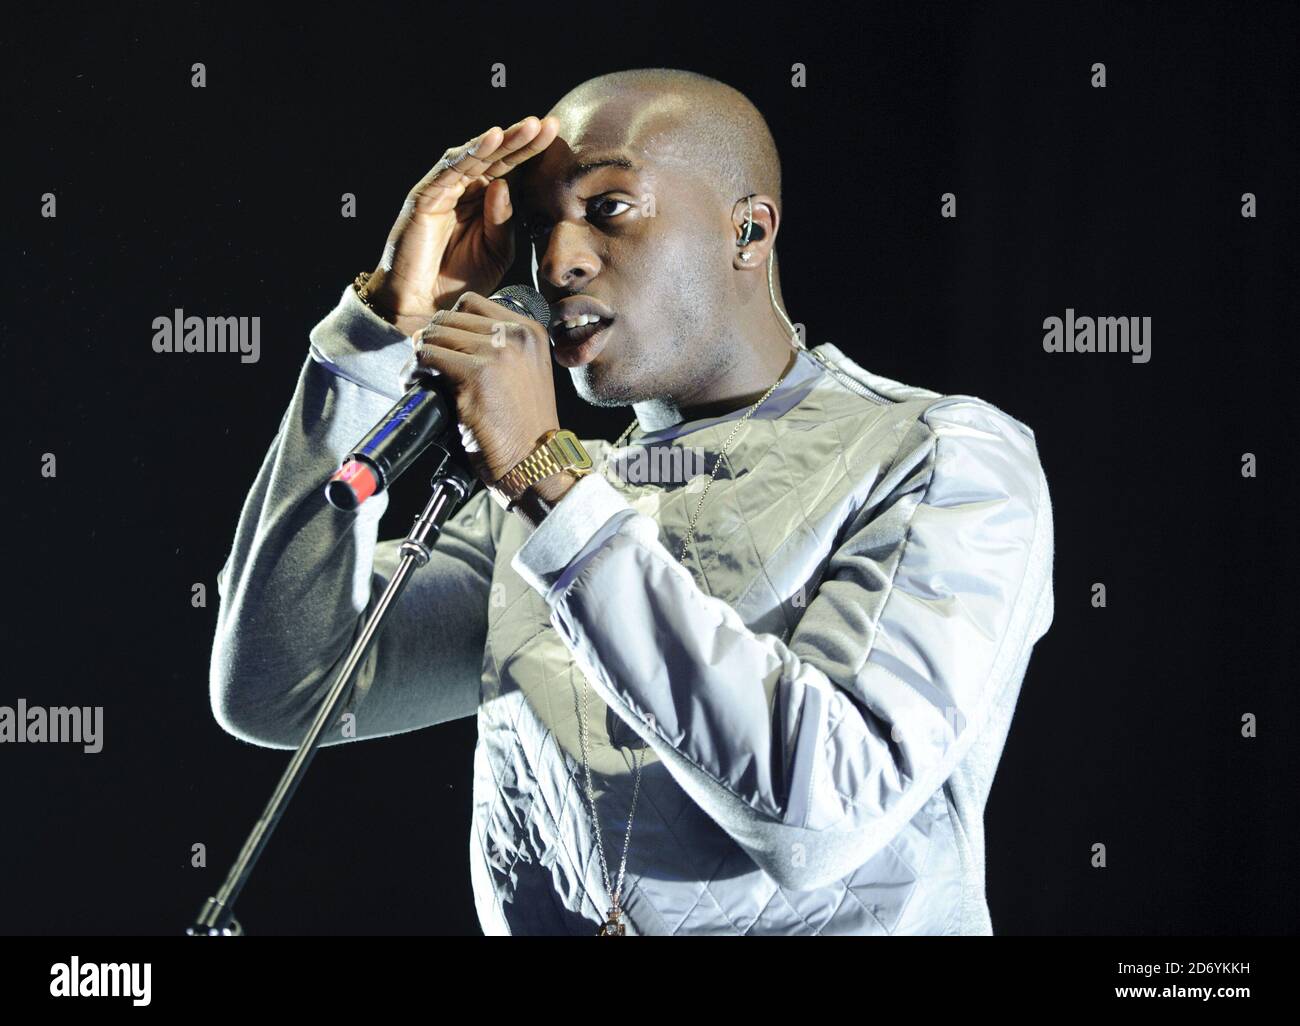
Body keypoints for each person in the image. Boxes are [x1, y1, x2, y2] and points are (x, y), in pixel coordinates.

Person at [209, 68, 1055, 935]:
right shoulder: (551, 494)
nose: (557, 262)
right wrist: (375, 332)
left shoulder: (939, 454)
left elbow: (819, 817)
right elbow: (282, 689)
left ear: (749, 230)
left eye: (609, 208)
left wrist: (547, 478)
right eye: (540, 226)